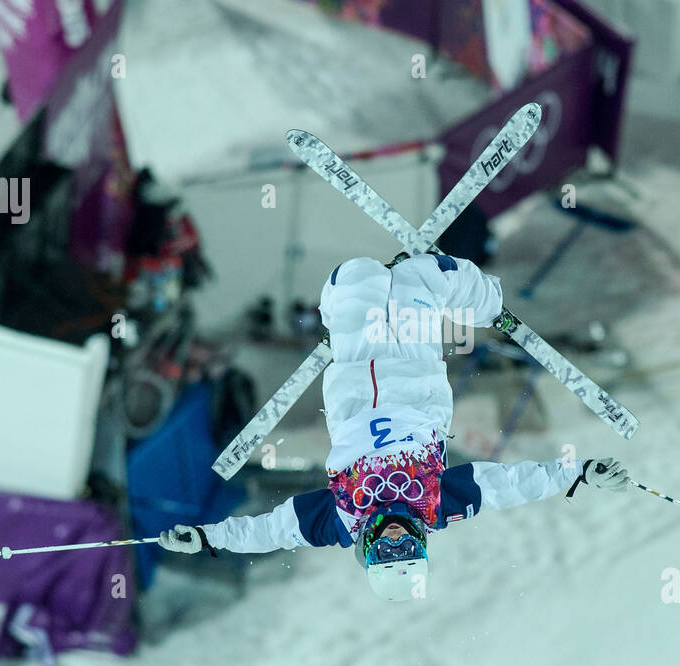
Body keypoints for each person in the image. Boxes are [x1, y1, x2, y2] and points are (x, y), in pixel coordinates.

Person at [160, 253, 631, 600]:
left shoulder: (340, 521)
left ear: (368, 553)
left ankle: (348, 304)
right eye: (407, 547)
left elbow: (268, 532)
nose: (395, 538)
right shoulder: (442, 505)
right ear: (421, 547)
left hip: (352, 378)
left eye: (387, 551)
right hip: (415, 377)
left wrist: (206, 538)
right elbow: (513, 485)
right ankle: (482, 301)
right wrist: (581, 472)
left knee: (353, 277)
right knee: (420, 280)